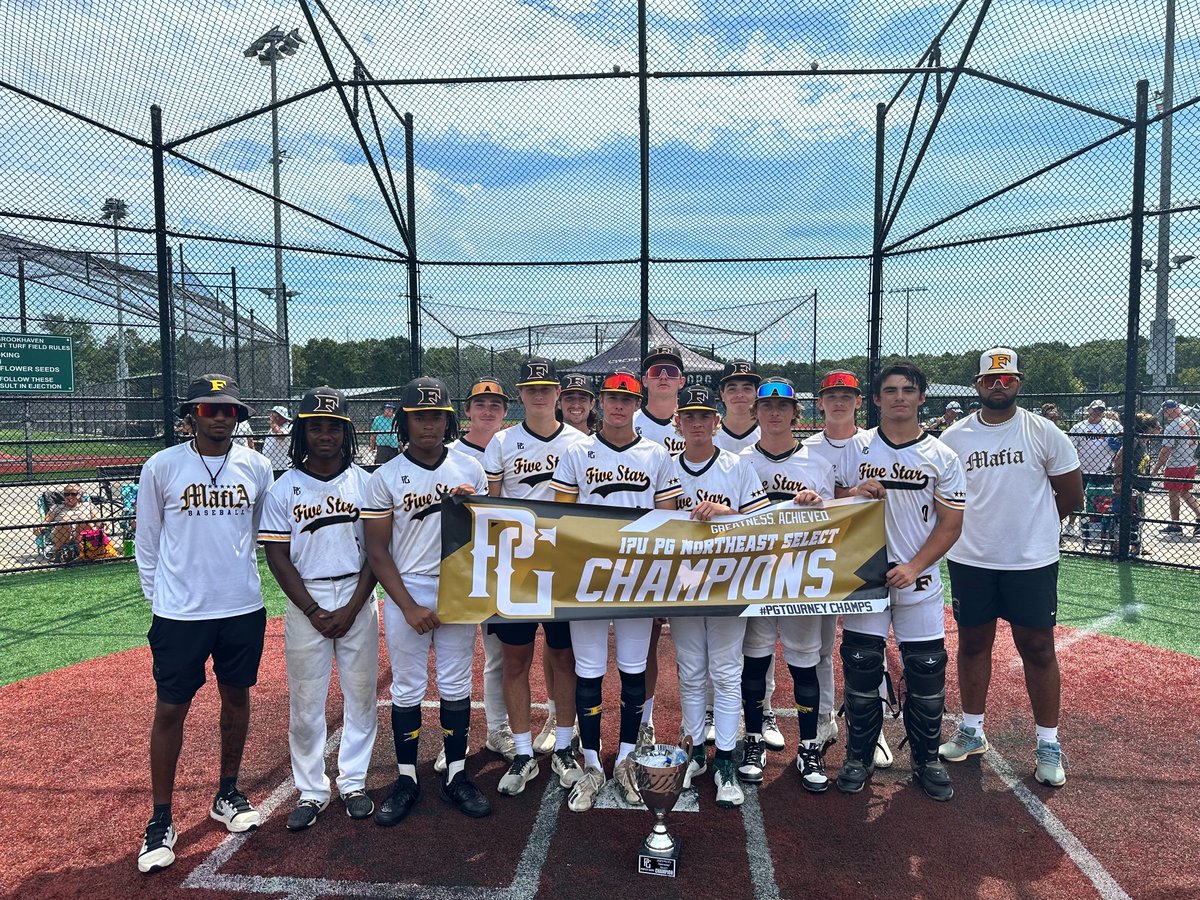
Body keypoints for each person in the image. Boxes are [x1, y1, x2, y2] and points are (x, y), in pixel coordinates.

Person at [134, 375, 274, 873]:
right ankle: (161, 818)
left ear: (238, 417)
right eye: (209, 408)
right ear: (191, 414)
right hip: (180, 615)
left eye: (229, 410)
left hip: (241, 608)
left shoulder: (257, 467)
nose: (219, 416)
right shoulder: (162, 466)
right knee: (171, 709)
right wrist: (161, 601)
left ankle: (227, 794)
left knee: (236, 697)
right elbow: (147, 541)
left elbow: (261, 530)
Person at [938, 348, 1083, 788]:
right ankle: (971, 730)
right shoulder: (955, 437)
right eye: (990, 380)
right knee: (973, 643)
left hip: (1031, 561)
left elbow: (1071, 498)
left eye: (1007, 379)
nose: (999, 386)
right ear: (977, 385)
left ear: (1019, 383)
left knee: (1038, 648)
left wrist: (1028, 531)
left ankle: (1048, 743)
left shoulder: (1044, 432)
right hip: (972, 559)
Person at [549, 369, 681, 812]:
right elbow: (558, 517)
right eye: (611, 398)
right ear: (601, 403)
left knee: (630, 670)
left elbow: (668, 519)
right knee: (587, 671)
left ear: (637, 402)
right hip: (586, 577)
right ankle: (590, 762)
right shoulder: (577, 452)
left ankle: (625, 758)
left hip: (637, 579)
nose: (619, 406)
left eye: (627, 399)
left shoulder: (656, 454)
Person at [362, 376, 492, 825]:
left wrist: (475, 508)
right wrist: (406, 605)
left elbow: (489, 537)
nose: (428, 425)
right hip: (408, 587)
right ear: (404, 420)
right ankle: (406, 779)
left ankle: (456, 774)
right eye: (419, 416)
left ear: (448, 419)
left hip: (458, 585)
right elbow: (377, 552)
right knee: (408, 687)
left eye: (436, 416)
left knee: (456, 684)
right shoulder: (385, 476)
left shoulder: (470, 469)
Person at [834, 360, 965, 801]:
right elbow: (830, 501)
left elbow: (950, 523)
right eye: (890, 390)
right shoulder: (855, 447)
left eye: (908, 390)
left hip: (918, 580)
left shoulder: (942, 455)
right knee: (860, 666)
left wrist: (915, 566)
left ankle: (926, 760)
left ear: (922, 396)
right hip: (864, 579)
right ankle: (859, 755)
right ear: (875, 399)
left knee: (926, 671)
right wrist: (854, 493)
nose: (899, 397)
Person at [259, 386, 380, 830]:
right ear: (302, 433)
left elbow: (377, 554)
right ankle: (312, 790)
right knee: (306, 702)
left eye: (333, 426)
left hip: (357, 596)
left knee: (361, 695)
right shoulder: (284, 487)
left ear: (346, 432)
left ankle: (353, 781)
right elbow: (277, 556)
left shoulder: (366, 483)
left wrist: (352, 606)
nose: (324, 434)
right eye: (315, 426)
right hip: (305, 598)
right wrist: (313, 610)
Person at [482, 358, 588, 796]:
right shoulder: (502, 442)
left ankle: (564, 744)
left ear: (558, 395)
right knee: (516, 661)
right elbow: (488, 510)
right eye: (531, 388)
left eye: (547, 388)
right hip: (518, 571)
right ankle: (523, 751)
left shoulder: (581, 443)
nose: (540, 395)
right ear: (521, 395)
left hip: (564, 569)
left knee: (564, 658)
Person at [670, 384, 769, 808]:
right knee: (691, 673)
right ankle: (694, 752)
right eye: (688, 416)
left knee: (727, 673)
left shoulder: (737, 466)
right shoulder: (665, 467)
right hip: (680, 585)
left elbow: (765, 522)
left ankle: (725, 757)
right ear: (678, 423)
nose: (696, 423)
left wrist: (730, 512)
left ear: (716, 422)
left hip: (730, 581)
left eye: (703, 416)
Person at [737, 378, 836, 791]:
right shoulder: (739, 461)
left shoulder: (817, 463)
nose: (774, 413)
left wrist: (820, 505)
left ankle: (809, 745)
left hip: (801, 579)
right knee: (755, 661)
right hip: (755, 578)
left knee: (804, 661)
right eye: (766, 407)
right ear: (755, 413)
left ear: (796, 413)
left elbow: (838, 526)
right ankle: (754, 738)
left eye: (783, 407)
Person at [800, 371, 892, 768]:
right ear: (820, 402)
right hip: (818, 558)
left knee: (869, 649)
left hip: (862, 556)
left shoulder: (873, 442)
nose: (839, 401)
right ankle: (823, 721)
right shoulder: (806, 448)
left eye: (846, 395)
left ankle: (873, 729)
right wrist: (850, 494)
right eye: (831, 395)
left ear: (859, 401)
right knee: (818, 647)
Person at [445, 377, 516, 770]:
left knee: (498, 655)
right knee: (453, 660)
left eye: (495, 405)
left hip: (502, 565)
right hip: (460, 566)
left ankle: (497, 729)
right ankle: (451, 738)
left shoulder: (510, 446)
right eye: (480, 404)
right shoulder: (449, 453)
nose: (488, 410)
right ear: (467, 411)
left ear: (505, 411)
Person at [632, 346, 687, 746]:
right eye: (656, 371)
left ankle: (704, 720)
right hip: (647, 549)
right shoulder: (629, 423)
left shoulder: (703, 423)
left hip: (698, 547)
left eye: (671, 370)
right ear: (646, 381)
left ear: (682, 380)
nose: (664, 375)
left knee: (700, 643)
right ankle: (645, 719)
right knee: (645, 642)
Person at [1065, 400, 1120, 537]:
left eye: (1101, 410)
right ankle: (1072, 524)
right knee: (1076, 498)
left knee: (1102, 501)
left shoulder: (1112, 425)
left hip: (1104, 470)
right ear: (1088, 410)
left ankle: (1099, 527)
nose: (1097, 412)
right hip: (1082, 470)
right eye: (1095, 409)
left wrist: (1118, 441)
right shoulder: (1079, 427)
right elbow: (1070, 448)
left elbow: (1123, 438)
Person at [1151, 399, 1200, 535]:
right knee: (1184, 491)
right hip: (1191, 460)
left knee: (1173, 494)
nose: (1165, 414)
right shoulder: (1192, 421)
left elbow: (1166, 450)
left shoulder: (1172, 426)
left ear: (1170, 409)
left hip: (1177, 463)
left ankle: (1175, 525)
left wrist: (1156, 468)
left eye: (1166, 411)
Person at [40, 483, 108, 558]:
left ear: (79, 495)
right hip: (62, 536)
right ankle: (59, 552)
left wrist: (102, 523)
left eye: (73, 494)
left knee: (84, 522)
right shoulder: (56, 507)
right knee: (64, 523)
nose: (70, 497)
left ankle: (80, 549)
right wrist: (41, 527)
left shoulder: (88, 505)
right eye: (66, 494)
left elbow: (97, 519)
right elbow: (46, 521)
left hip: (82, 536)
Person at [261, 405, 293, 471]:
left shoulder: (288, 426)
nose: (271, 416)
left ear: (280, 416)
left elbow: (280, 436)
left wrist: (273, 422)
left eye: (273, 414)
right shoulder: (275, 427)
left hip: (282, 467)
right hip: (271, 466)